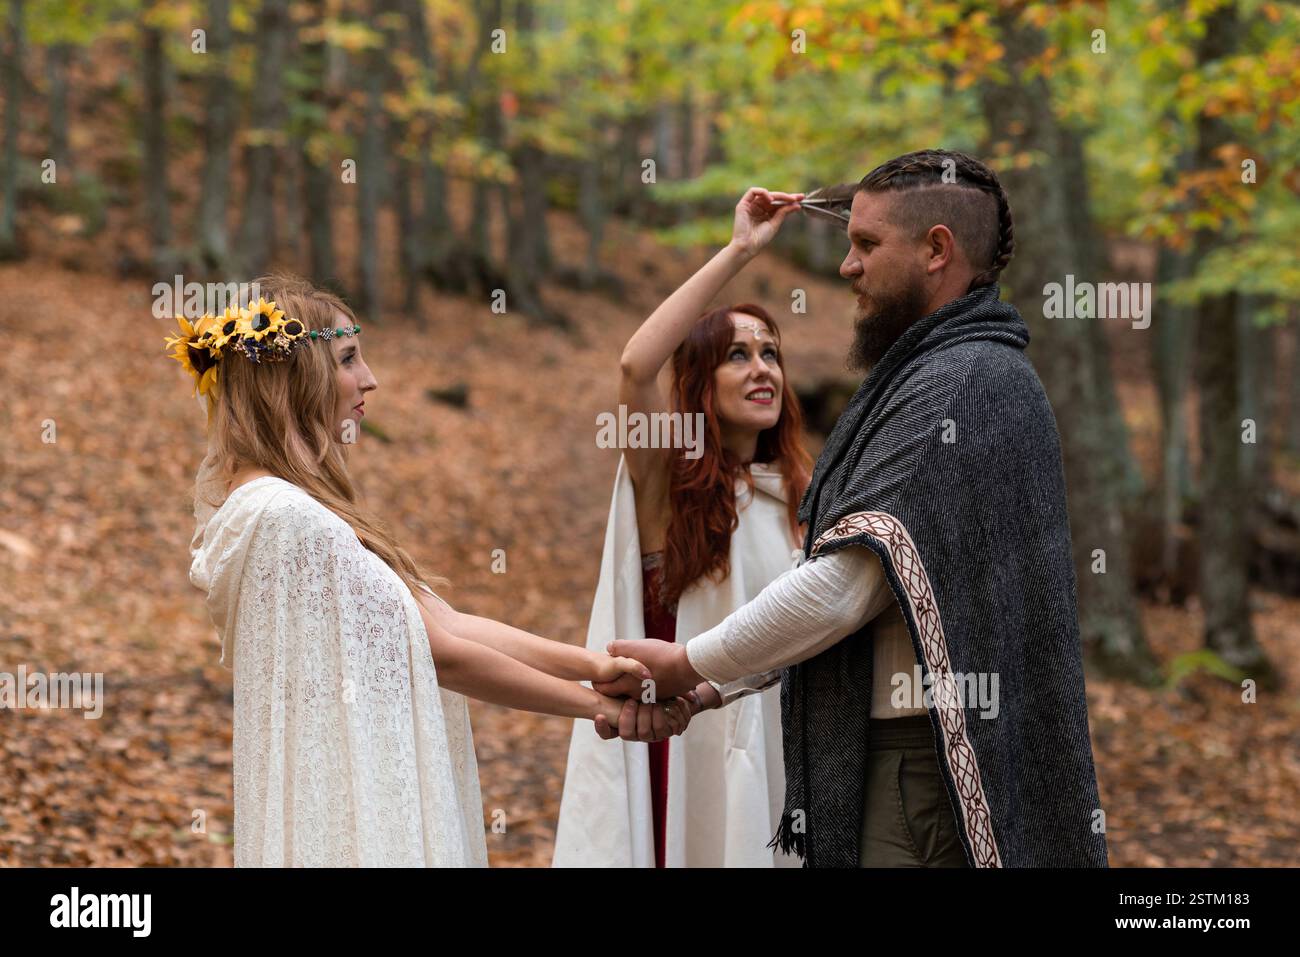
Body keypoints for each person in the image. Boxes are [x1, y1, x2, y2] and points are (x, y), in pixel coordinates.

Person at [605, 150, 1110, 868]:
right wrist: (714, 684)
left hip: (919, 769)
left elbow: (844, 592)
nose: (846, 266)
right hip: (872, 751)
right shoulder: (957, 373)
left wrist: (689, 664)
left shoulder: (957, 385)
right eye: (736, 355)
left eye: (867, 244)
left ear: (937, 250)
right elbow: (634, 369)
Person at [172, 274, 667, 867]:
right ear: (293, 377)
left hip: (365, 785)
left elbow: (447, 624)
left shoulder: (287, 511)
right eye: (349, 359)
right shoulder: (287, 518)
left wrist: (596, 667)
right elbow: (443, 654)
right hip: (352, 810)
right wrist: (600, 709)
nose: (370, 378)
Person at [554, 188, 814, 868]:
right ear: (702, 378)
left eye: (770, 353)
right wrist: (738, 251)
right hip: (686, 736)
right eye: (737, 355)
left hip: (787, 742)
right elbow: (636, 365)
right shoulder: (668, 481)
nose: (761, 367)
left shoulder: (801, 493)